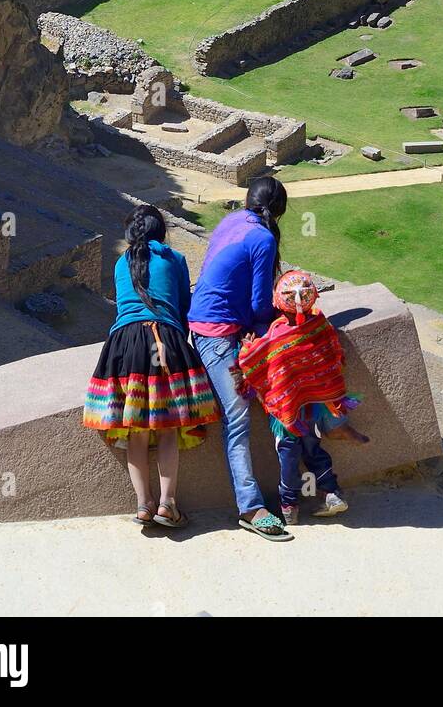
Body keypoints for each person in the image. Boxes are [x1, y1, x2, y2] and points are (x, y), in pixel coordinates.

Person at [83, 204, 218, 528]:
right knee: (169, 428)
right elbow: (184, 308)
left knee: (137, 433)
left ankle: (143, 505)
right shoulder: (174, 259)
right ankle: (167, 504)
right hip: (166, 342)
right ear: (161, 232)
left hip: (125, 347)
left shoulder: (120, 262)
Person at [188, 176, 293, 541]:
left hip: (206, 322)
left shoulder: (231, 221)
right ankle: (250, 506)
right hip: (216, 335)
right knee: (237, 417)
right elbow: (259, 303)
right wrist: (269, 323)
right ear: (278, 211)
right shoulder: (263, 238)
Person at [237, 269, 366, 525]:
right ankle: (331, 492)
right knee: (313, 449)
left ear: (277, 300)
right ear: (312, 297)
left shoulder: (276, 335)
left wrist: (247, 346)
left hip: (287, 412)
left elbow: (253, 362)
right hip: (316, 406)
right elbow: (334, 356)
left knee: (288, 454)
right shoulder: (319, 324)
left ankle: (289, 506)